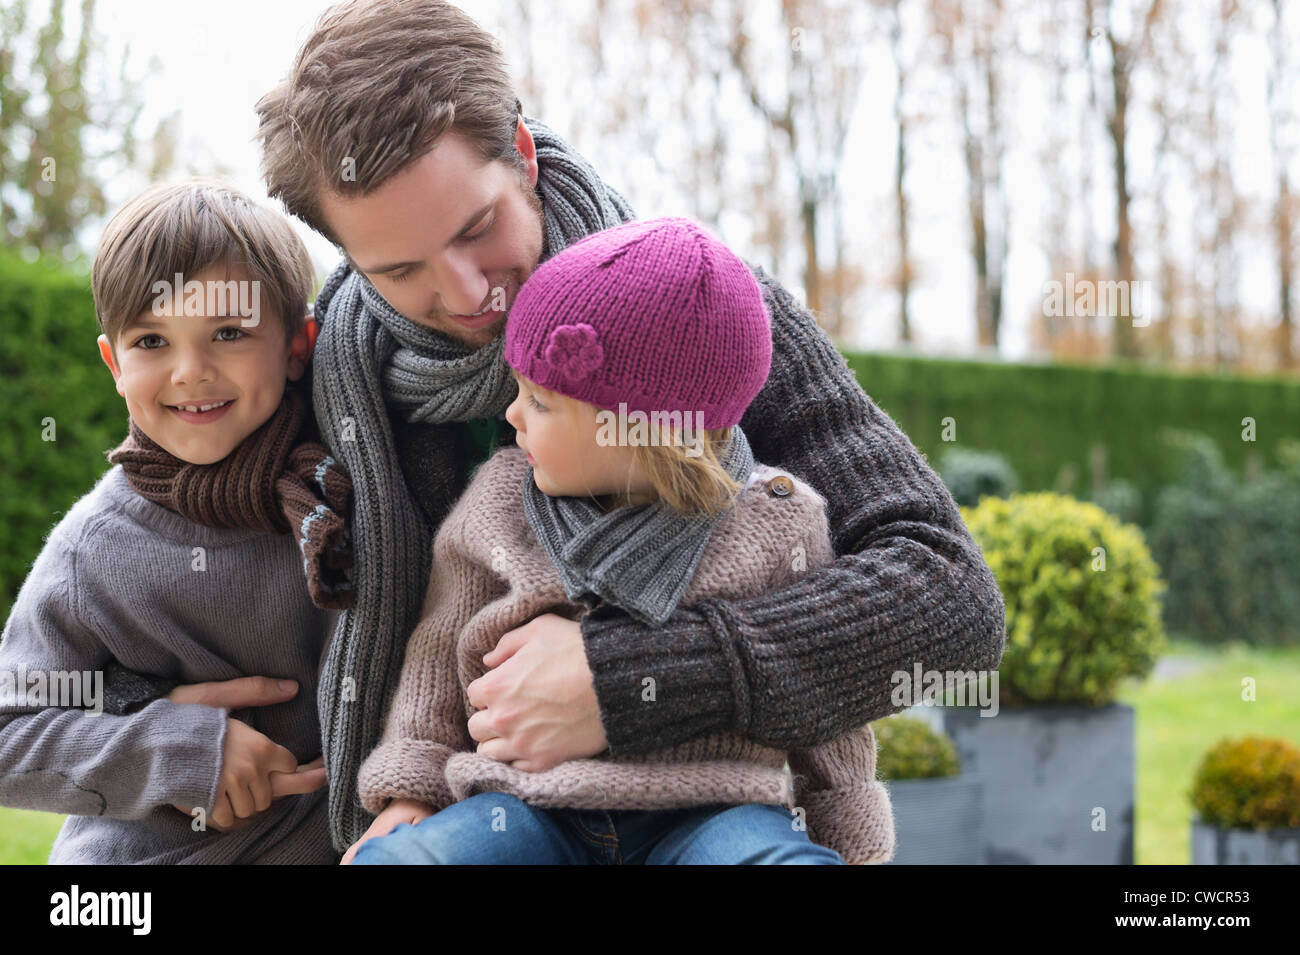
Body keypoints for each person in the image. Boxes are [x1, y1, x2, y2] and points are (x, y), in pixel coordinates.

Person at [106, 0, 1006, 855]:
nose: (466, 292)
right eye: (401, 267)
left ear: (525, 156)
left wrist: (629, 681)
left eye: (479, 226)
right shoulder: (303, 374)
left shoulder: (704, 322)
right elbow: (116, 588)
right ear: (345, 255)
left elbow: (949, 600)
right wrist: (150, 725)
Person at [344, 217, 894, 865]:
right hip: (525, 805)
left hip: (714, 809)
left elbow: (819, 699)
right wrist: (410, 793)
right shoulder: (496, 502)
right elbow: (437, 659)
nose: (512, 414)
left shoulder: (777, 520)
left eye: (540, 402)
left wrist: (845, 817)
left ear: (638, 429)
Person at [0, 180, 352, 863]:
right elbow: (11, 728)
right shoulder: (93, 547)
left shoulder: (342, 500)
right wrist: (176, 746)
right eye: (153, 339)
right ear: (113, 363)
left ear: (297, 345)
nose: (191, 371)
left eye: (228, 332)